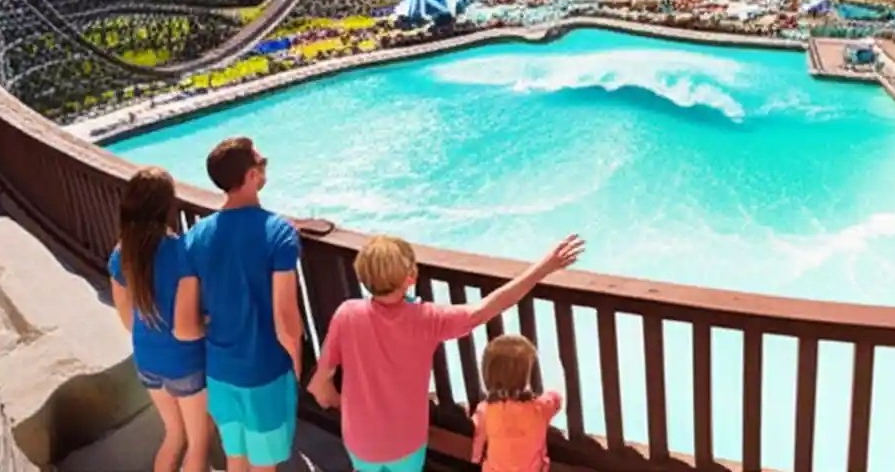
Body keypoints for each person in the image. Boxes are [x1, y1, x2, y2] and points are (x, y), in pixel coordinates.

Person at [308, 233, 585, 472]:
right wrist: (543, 268)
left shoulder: (347, 314)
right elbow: (486, 308)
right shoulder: (427, 319)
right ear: (411, 277)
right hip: (405, 443)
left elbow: (321, 387)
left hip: (360, 439)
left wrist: (342, 403)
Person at [177, 137, 303, 472]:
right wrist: (297, 365)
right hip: (264, 371)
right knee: (264, 463)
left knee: (237, 457)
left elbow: (185, 325)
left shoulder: (195, 236)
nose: (265, 168)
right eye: (262, 163)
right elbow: (286, 318)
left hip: (219, 371)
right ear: (250, 176)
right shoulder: (279, 233)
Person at [108, 167, 209, 472]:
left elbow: (127, 319)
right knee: (199, 443)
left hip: (147, 360)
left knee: (174, 436)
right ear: (167, 207)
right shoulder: (183, 252)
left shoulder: (121, 255)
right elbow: (187, 328)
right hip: (184, 362)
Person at [470, 335, 562, 472]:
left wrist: (475, 458)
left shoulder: (485, 410)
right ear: (526, 377)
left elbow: (479, 439)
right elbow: (557, 398)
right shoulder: (540, 408)